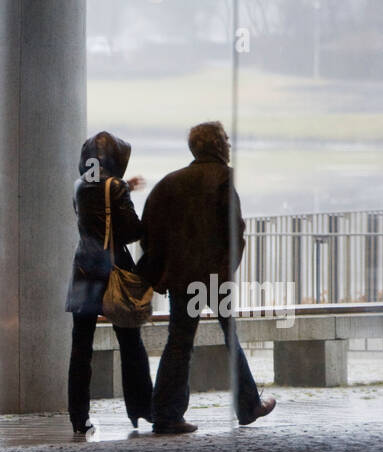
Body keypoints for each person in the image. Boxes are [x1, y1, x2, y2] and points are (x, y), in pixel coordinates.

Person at [139, 121, 276, 434]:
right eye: (226, 139)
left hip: (181, 278)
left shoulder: (169, 183)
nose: (229, 144)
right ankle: (248, 405)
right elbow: (234, 231)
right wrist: (228, 268)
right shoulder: (223, 178)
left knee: (179, 342)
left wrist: (162, 272)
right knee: (231, 337)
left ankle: (166, 414)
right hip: (216, 275)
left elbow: (149, 232)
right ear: (217, 144)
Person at [63, 131, 154, 434]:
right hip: (112, 270)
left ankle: (79, 418)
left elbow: (95, 203)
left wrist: (123, 188)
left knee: (81, 348)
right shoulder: (115, 187)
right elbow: (130, 230)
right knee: (131, 343)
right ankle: (141, 409)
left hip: (83, 271)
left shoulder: (79, 186)